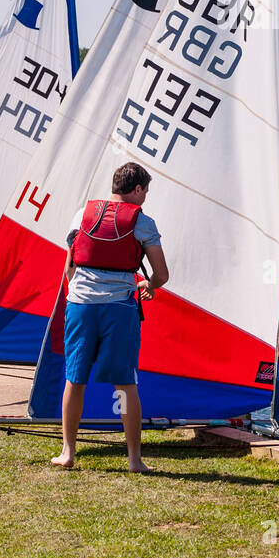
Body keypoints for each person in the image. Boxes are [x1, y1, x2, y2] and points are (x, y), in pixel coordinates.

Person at [51, 161, 169, 473]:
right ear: (138, 189)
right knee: (126, 383)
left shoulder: (83, 213)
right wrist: (148, 285)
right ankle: (134, 459)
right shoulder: (143, 222)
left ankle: (68, 453)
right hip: (118, 308)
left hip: (80, 304)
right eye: (146, 191)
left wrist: (77, 292)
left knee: (74, 379)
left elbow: (69, 266)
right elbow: (162, 274)